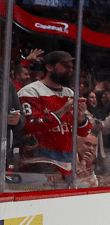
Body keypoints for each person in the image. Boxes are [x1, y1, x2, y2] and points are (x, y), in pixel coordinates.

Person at [17, 50, 92, 178]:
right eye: (65, 66)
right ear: (49, 67)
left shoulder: (70, 93)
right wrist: (63, 109)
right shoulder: (30, 92)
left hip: (68, 162)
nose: (70, 70)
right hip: (40, 161)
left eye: (71, 67)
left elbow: (83, 133)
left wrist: (81, 118)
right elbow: (30, 126)